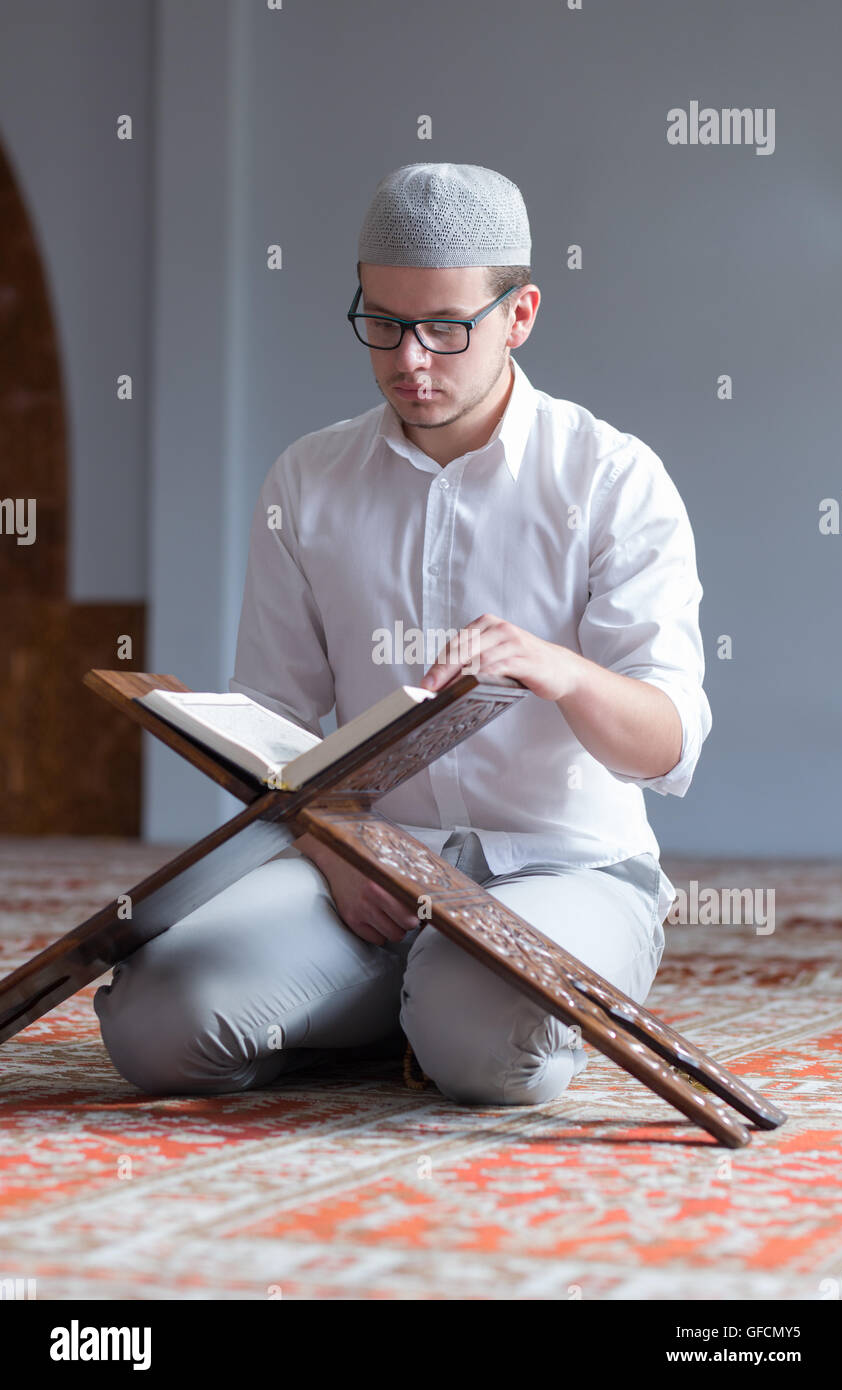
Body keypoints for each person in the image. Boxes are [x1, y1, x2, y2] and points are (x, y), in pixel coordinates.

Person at [94, 162, 712, 1107]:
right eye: (381, 322)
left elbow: (666, 740)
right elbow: (276, 723)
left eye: (445, 328)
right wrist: (334, 852)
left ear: (521, 314)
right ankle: (398, 1001)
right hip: (364, 872)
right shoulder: (308, 479)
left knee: (486, 1053)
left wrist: (556, 669)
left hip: (567, 869)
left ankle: (426, 1010)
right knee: (154, 1026)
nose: (409, 359)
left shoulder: (612, 478)